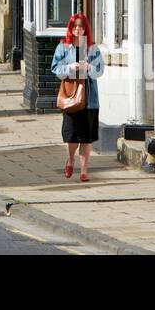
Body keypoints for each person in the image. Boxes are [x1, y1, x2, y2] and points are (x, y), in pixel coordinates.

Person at [51, 12, 104, 182]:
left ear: (85, 28)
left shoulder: (92, 48)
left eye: (81, 26)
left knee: (86, 138)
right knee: (72, 136)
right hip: (71, 96)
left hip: (89, 99)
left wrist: (89, 67)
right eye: (75, 26)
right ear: (70, 28)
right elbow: (55, 69)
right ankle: (71, 159)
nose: (78, 29)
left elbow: (100, 70)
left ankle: (84, 171)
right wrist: (69, 68)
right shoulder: (63, 47)